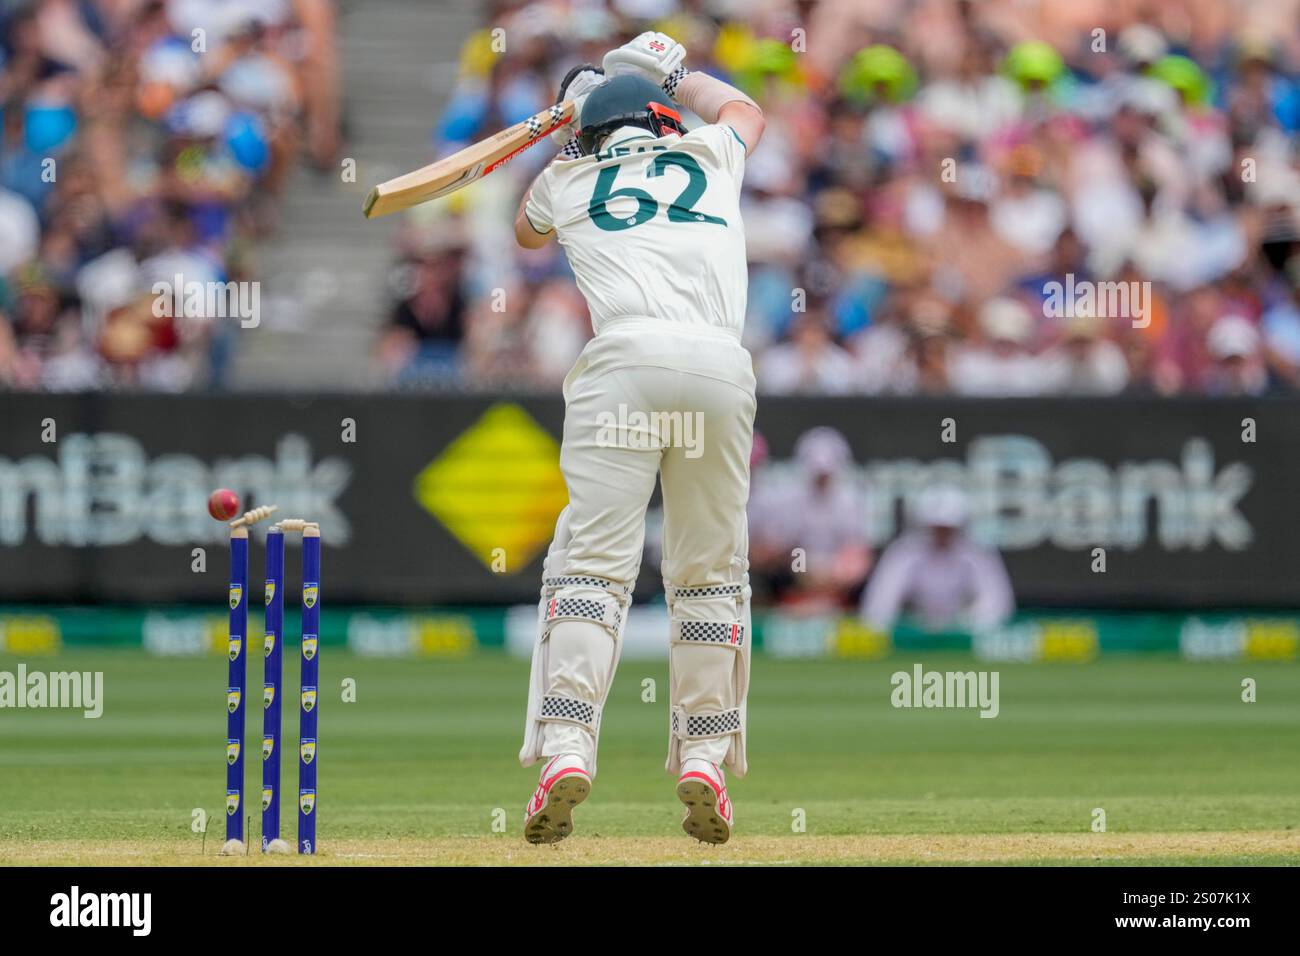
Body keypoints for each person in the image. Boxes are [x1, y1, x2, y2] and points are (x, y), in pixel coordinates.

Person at [511, 33, 765, 846]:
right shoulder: (708, 153)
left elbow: (523, 231)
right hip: (718, 369)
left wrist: (564, 136)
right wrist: (678, 75)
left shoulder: (566, 176)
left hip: (623, 364)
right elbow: (744, 109)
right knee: (707, 573)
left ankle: (564, 746)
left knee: (591, 566)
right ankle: (706, 757)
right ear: (658, 117)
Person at [861, 486, 1014, 634]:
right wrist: (906, 630)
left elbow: (997, 603)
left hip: (965, 630)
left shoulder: (978, 550)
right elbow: (879, 606)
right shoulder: (905, 551)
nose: (941, 533)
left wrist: (965, 626)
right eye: (935, 527)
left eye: (947, 528)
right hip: (916, 631)